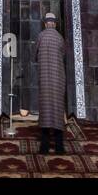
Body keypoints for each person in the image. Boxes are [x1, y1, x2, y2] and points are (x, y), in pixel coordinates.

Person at [35, 13, 66, 154]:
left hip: (44, 79)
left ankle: (44, 147)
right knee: (58, 110)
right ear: (55, 24)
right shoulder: (59, 38)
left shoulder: (40, 37)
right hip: (58, 79)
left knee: (46, 109)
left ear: (45, 23)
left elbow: (35, 55)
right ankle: (59, 147)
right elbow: (63, 55)